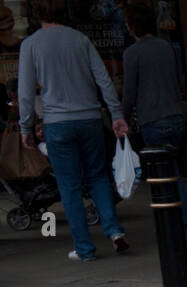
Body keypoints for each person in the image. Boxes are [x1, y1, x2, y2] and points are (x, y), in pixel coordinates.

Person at [17, 0, 129, 262]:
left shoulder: (30, 44)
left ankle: (84, 247)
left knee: (69, 187)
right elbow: (103, 78)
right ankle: (113, 230)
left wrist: (25, 126)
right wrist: (116, 113)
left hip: (57, 123)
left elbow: (24, 93)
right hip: (90, 117)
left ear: (37, 14)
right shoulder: (81, 39)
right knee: (98, 177)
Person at [121, 3, 187, 242]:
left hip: (152, 121)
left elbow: (129, 93)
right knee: (169, 174)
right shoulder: (167, 47)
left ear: (131, 25)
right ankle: (178, 227)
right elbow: (179, 81)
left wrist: (122, 120)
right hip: (175, 117)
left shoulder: (131, 54)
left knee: (166, 178)